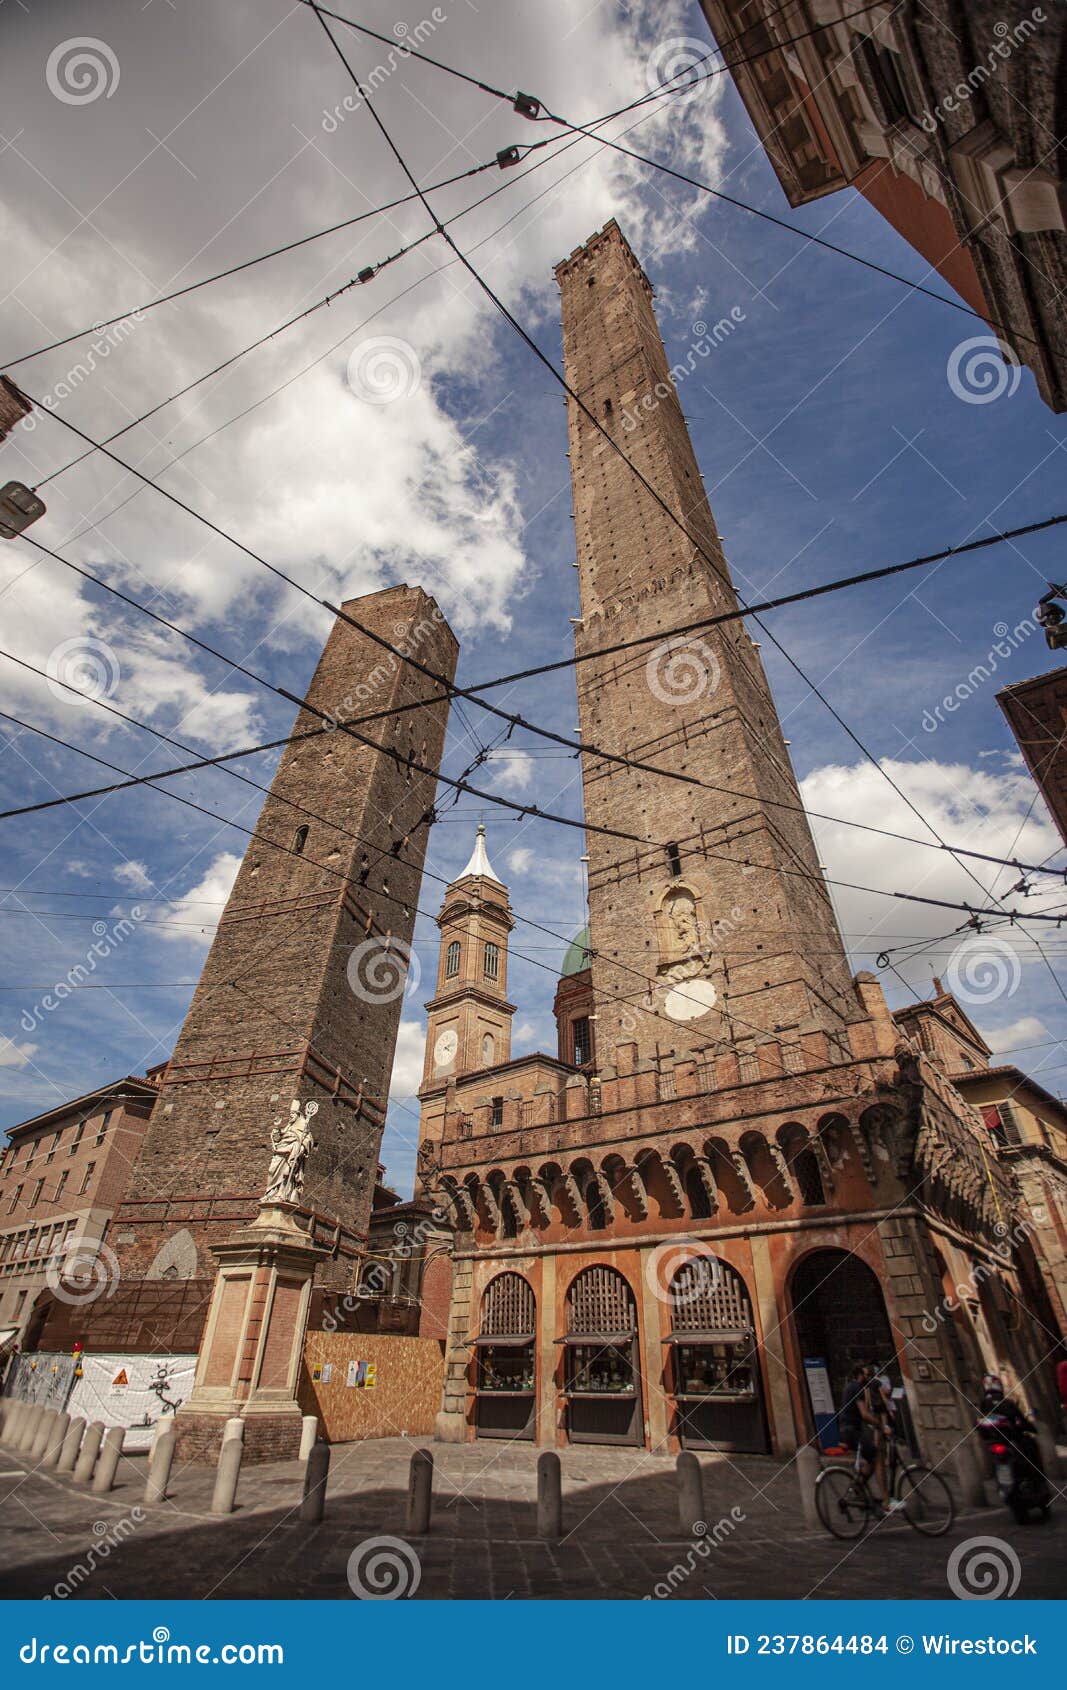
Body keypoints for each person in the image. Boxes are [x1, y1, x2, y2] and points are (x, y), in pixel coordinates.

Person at [838, 1363, 893, 1512]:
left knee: (870, 1457)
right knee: (876, 1457)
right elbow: (864, 1414)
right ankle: (886, 1501)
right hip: (851, 1431)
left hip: (848, 1430)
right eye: (868, 1375)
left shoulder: (852, 1387)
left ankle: (859, 1487)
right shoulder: (857, 1388)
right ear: (860, 1375)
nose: (870, 1378)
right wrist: (882, 1426)